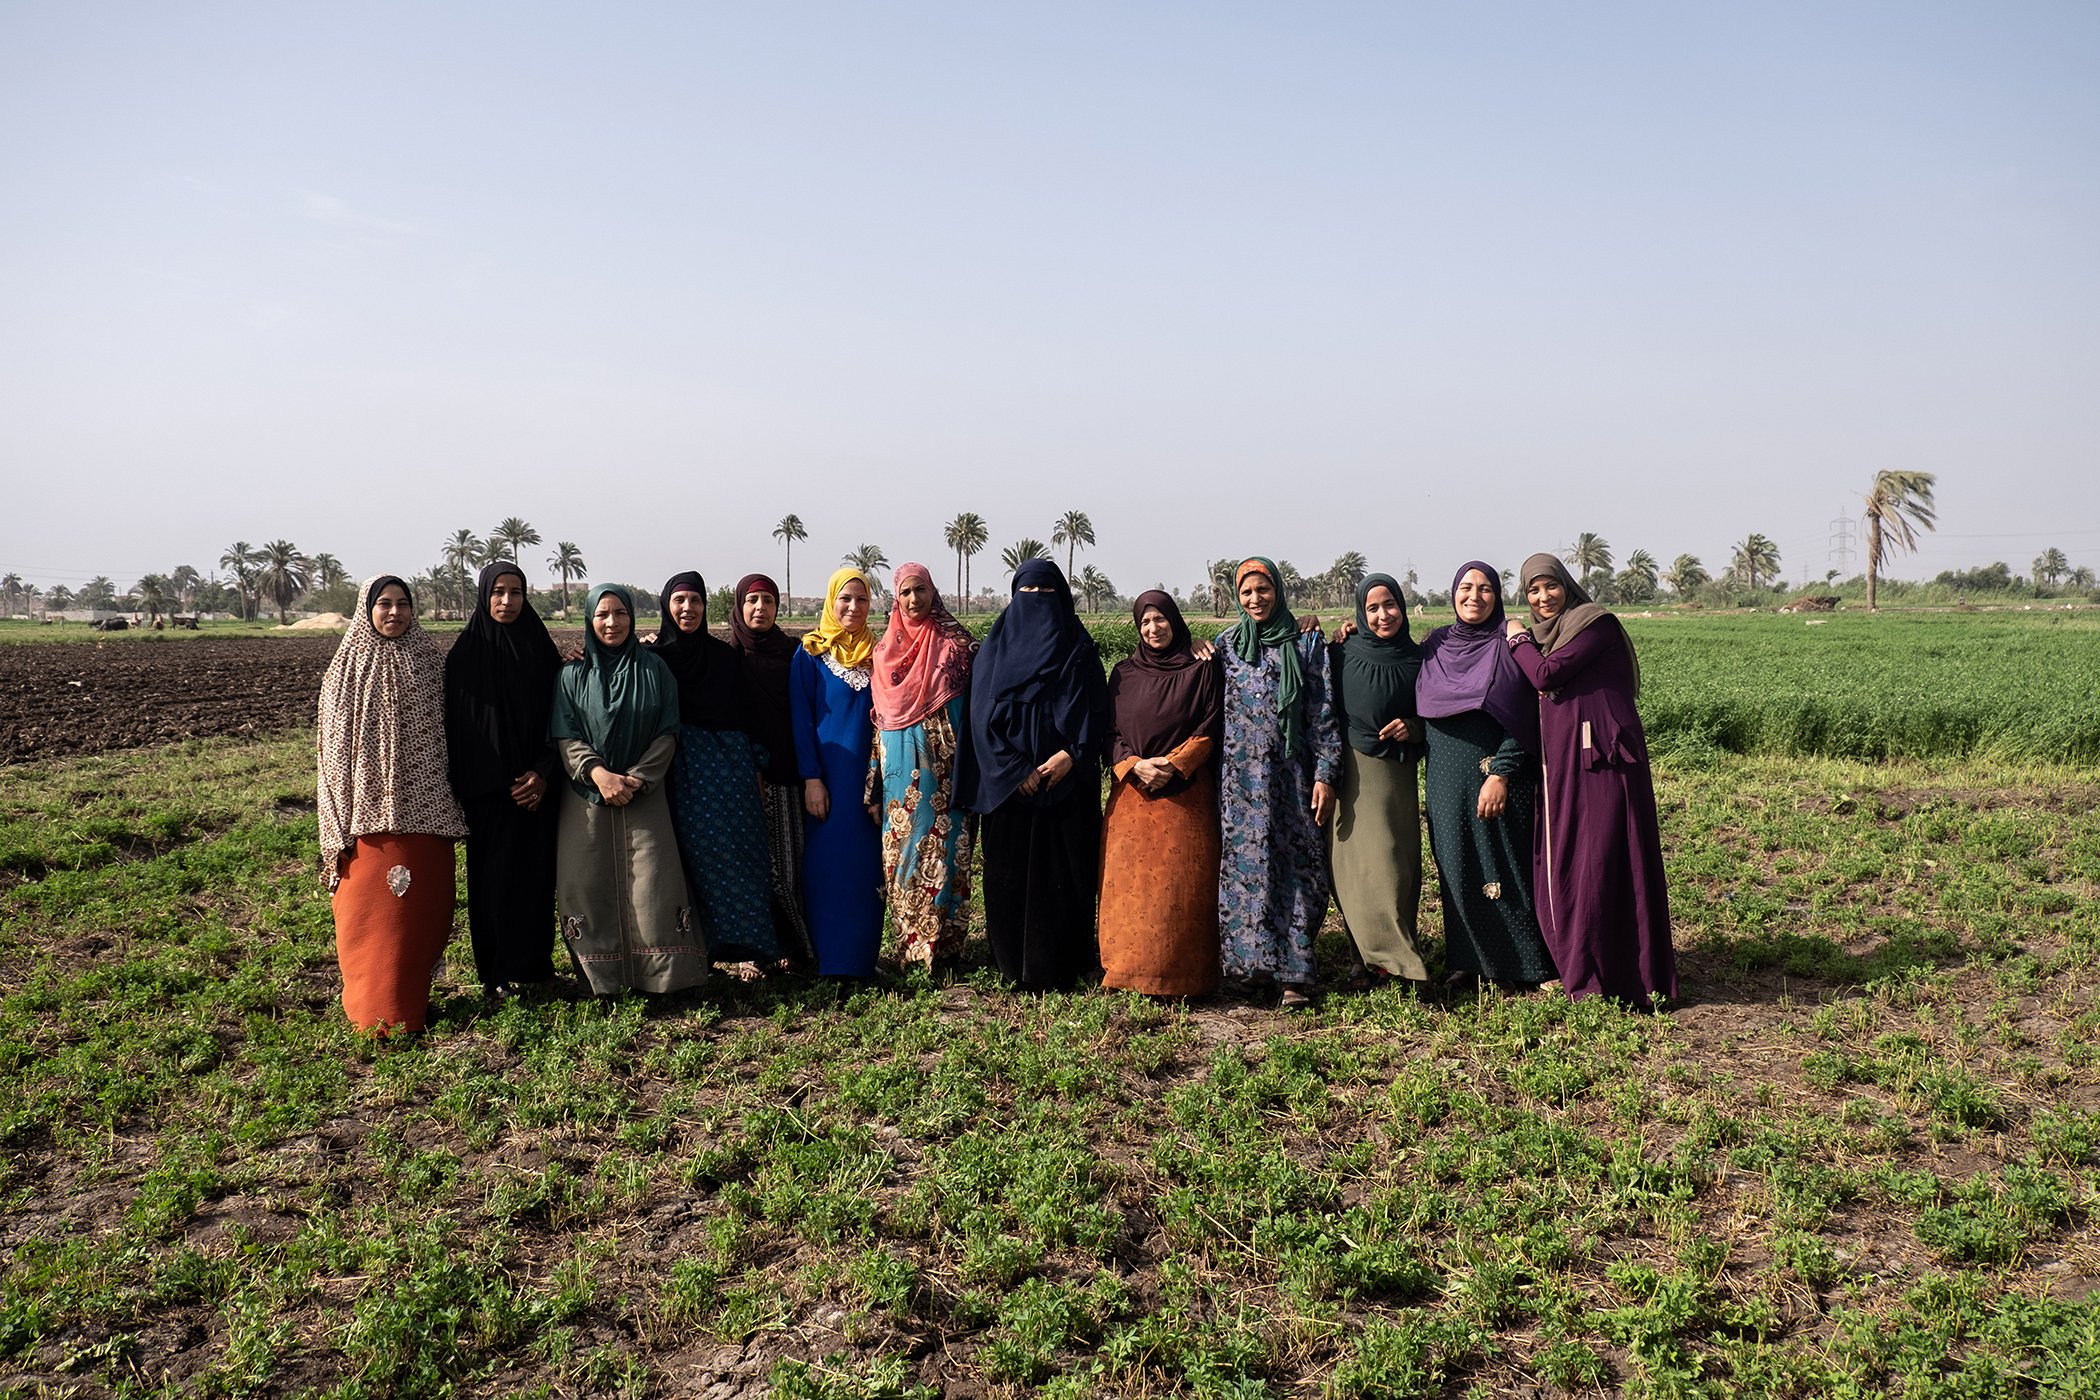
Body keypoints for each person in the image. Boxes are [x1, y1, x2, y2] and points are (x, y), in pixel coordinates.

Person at [1506, 554, 1676, 1005]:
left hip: (1605, 761)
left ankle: (1620, 975)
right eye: (1533, 591)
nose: (1543, 598)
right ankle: (1580, 963)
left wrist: (1517, 636)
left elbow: (1546, 675)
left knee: (1603, 859)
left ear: (1567, 585)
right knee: (1575, 858)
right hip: (1567, 763)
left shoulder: (1592, 623)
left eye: (1550, 587)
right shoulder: (1553, 634)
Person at [317, 575, 470, 1033]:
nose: (395, 612)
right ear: (367, 609)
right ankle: (372, 1016)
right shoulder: (344, 671)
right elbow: (330, 753)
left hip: (426, 816)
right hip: (365, 820)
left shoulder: (430, 662)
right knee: (371, 922)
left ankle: (411, 1010)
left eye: (403, 603)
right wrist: (335, 826)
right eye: (384, 604)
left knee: (420, 920)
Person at [959, 559, 1108, 990]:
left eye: (1047, 595)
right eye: (1029, 595)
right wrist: (1013, 770)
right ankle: (1012, 964)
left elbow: (1098, 712)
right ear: (1013, 598)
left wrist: (1072, 756)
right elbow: (980, 718)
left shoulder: (1079, 649)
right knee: (1009, 877)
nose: (1038, 604)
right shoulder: (994, 651)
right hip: (1012, 791)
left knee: (1068, 874)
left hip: (1068, 787)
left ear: (1061, 599)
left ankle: (1065, 963)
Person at [549, 584, 704, 995]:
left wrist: (636, 778)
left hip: (644, 795)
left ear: (633, 618)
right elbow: (566, 734)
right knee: (587, 881)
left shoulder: (655, 671)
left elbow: (668, 730)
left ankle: (660, 977)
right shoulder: (570, 675)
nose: (612, 622)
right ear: (589, 620)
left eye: (620, 613)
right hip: (587, 798)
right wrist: (599, 774)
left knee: (652, 881)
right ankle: (601, 979)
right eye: (602, 614)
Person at [1415, 562, 1556, 991]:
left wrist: (1502, 773)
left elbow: (1532, 714)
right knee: (1455, 869)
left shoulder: (1510, 643)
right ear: (1452, 592)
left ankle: (1529, 965)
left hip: (1496, 775)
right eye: (1465, 587)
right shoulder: (1436, 643)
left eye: (1485, 589)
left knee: (1506, 869)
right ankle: (1467, 960)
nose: (1474, 596)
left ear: (1496, 596)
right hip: (1443, 779)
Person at [1215, 557, 1342, 1007]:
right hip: (1240, 779)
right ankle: (1254, 968)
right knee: (1248, 871)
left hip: (1293, 775)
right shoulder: (1227, 645)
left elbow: (1322, 714)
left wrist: (1326, 774)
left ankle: (1296, 973)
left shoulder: (1305, 642)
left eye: (1263, 590)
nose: (1255, 599)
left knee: (1298, 866)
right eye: (1246, 592)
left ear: (1278, 591)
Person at [646, 571, 779, 967]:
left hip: (731, 767)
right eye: (679, 600)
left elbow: (746, 713)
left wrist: (756, 764)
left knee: (744, 854)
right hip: (681, 768)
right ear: (666, 606)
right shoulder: (654, 660)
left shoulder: (724, 657)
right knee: (693, 860)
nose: (688, 609)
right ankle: (700, 953)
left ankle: (752, 950)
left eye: (696, 601)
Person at [444, 560, 564, 999]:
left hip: (539, 792)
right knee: (491, 884)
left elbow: (561, 720)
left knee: (535, 882)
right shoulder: (464, 655)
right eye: (498, 592)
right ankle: (493, 974)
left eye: (515, 592)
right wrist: (502, 783)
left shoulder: (541, 649)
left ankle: (534, 967)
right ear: (483, 595)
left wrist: (542, 774)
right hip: (489, 797)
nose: (507, 601)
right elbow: (461, 733)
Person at [1098, 590, 1223, 997]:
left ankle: (1183, 977)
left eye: (1160, 619)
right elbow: (1110, 733)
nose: (1154, 629)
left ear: (1175, 619)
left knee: (1183, 886)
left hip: (1185, 795)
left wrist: (1173, 765)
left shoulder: (1202, 668)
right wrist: (1135, 765)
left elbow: (1210, 724)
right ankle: (1124, 972)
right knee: (1127, 888)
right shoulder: (1123, 673)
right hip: (1132, 798)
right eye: (1145, 622)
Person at [866, 562, 978, 967]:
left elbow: (974, 716)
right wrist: (873, 788)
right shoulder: (882, 655)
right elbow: (875, 730)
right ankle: (909, 948)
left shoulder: (959, 647)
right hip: (899, 779)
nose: (914, 600)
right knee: (904, 857)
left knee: (949, 855)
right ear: (897, 598)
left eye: (921, 591)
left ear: (933, 592)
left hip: (948, 773)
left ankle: (947, 948)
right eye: (906, 593)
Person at [1326, 573, 1430, 987]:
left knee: (1394, 862)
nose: (1383, 615)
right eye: (1372, 608)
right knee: (1353, 867)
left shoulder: (1420, 659)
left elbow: (1440, 713)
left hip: (1396, 772)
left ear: (1403, 609)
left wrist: (1415, 727)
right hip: (1352, 770)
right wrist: (1310, 623)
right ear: (1359, 612)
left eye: (1390, 605)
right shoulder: (1342, 652)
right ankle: (1362, 959)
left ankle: (1398, 956)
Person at [790, 567, 884, 976]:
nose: (853, 607)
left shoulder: (880, 654)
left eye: (861, 599)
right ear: (831, 601)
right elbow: (801, 720)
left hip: (868, 785)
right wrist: (812, 778)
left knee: (866, 872)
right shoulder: (810, 655)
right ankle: (828, 960)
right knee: (827, 869)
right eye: (845, 599)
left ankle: (862, 960)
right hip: (827, 783)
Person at [728, 572, 814, 963]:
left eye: (767, 601)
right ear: (739, 606)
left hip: (785, 776)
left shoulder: (795, 652)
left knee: (788, 869)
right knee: (748, 868)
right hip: (740, 779)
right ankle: (755, 954)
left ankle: (797, 948)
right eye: (752, 601)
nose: (759, 608)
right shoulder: (726, 657)